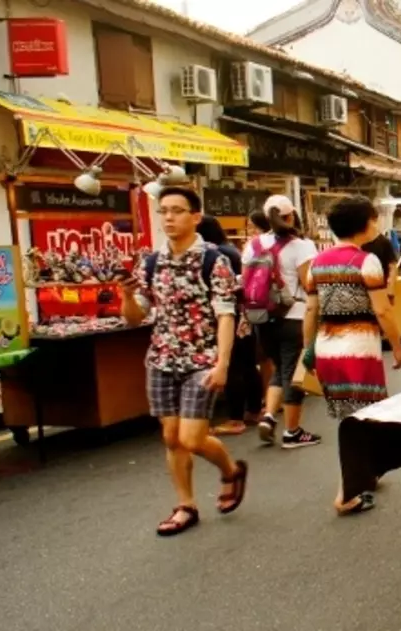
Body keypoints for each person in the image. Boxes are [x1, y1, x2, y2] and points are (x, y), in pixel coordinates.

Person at [120, 187, 247, 536]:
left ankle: (230, 470)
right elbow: (135, 317)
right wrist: (128, 295)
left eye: (177, 211)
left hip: (201, 358)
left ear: (195, 217)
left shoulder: (213, 259)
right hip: (161, 358)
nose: (169, 218)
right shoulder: (150, 262)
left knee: (192, 438)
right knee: (172, 437)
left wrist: (222, 363)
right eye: (164, 211)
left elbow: (226, 315)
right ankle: (185, 505)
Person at [300, 196, 401, 515]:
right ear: (364, 224)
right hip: (359, 349)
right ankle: (346, 493)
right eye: (374, 220)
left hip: (327, 348)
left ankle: (365, 474)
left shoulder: (318, 263)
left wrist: (309, 350)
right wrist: (398, 346)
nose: (376, 225)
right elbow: (383, 310)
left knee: (352, 417)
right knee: (359, 420)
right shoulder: (366, 261)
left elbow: (310, 310)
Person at [245, 195, 322, 449]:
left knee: (280, 367)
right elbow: (309, 284)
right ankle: (292, 432)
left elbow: (246, 283)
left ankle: (269, 415)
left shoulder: (253, 244)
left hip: (261, 318)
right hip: (293, 316)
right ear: (291, 216)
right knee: (293, 373)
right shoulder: (302, 246)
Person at [197, 215, 262, 437]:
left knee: (234, 365)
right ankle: (253, 410)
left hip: (231, 316)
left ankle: (235, 417)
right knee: (248, 364)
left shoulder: (216, 254)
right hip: (244, 315)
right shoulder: (231, 249)